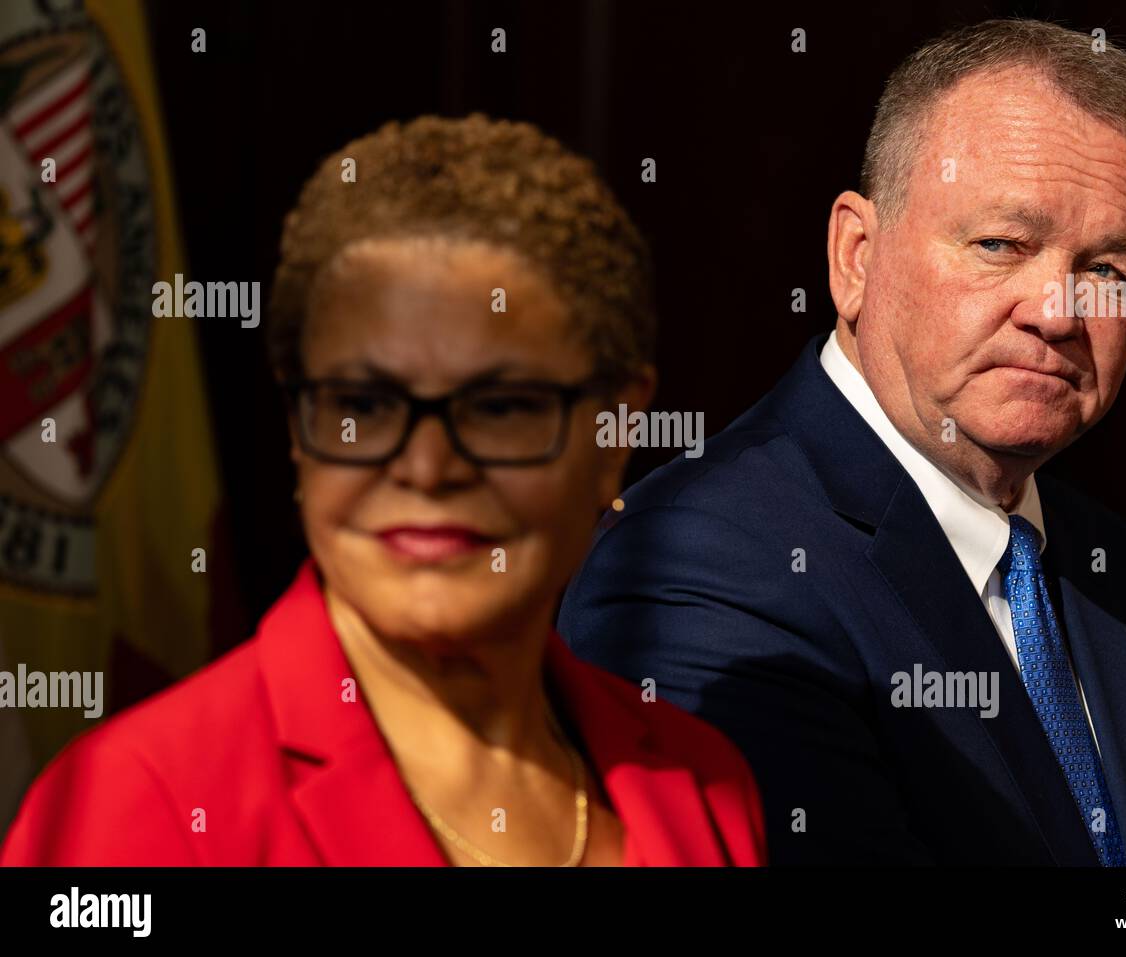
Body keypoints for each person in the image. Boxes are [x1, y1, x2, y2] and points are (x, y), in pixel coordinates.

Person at [559, 19, 1126, 865]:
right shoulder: (698, 566)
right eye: (1001, 245)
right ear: (855, 256)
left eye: (1109, 270)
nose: (1058, 312)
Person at [0, 114, 766, 867]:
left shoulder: (705, 787)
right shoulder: (135, 802)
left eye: (499, 409)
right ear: (298, 431)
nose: (427, 469)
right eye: (364, 407)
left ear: (615, 432)